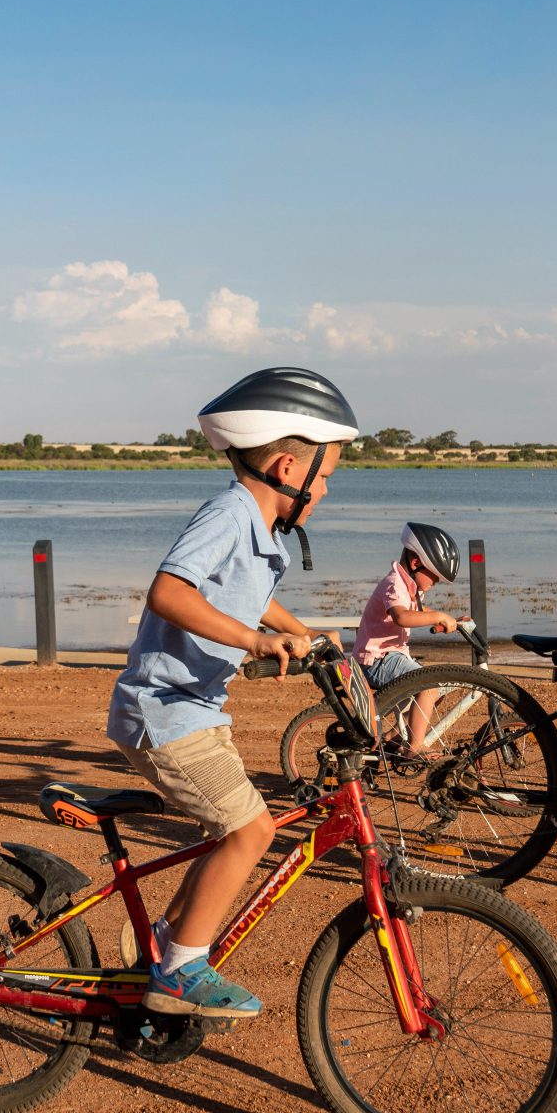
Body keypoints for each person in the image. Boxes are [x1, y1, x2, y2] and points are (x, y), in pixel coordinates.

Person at [107, 366, 358, 1019]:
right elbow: (170, 591)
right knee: (249, 832)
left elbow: (249, 594)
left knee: (231, 833)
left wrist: (303, 634)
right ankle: (183, 969)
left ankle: (164, 947)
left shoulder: (253, 527)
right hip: (165, 712)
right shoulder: (229, 512)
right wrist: (254, 643)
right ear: (285, 467)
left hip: (194, 711)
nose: (326, 490)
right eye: (324, 475)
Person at [355, 521, 463, 756]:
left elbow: (418, 612)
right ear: (416, 563)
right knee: (428, 684)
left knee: (437, 692)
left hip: (390, 656)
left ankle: (393, 736)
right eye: (434, 577)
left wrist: (449, 620)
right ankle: (414, 747)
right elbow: (402, 616)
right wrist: (438, 615)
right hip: (377, 660)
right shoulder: (394, 584)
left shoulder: (409, 586)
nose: (435, 584)